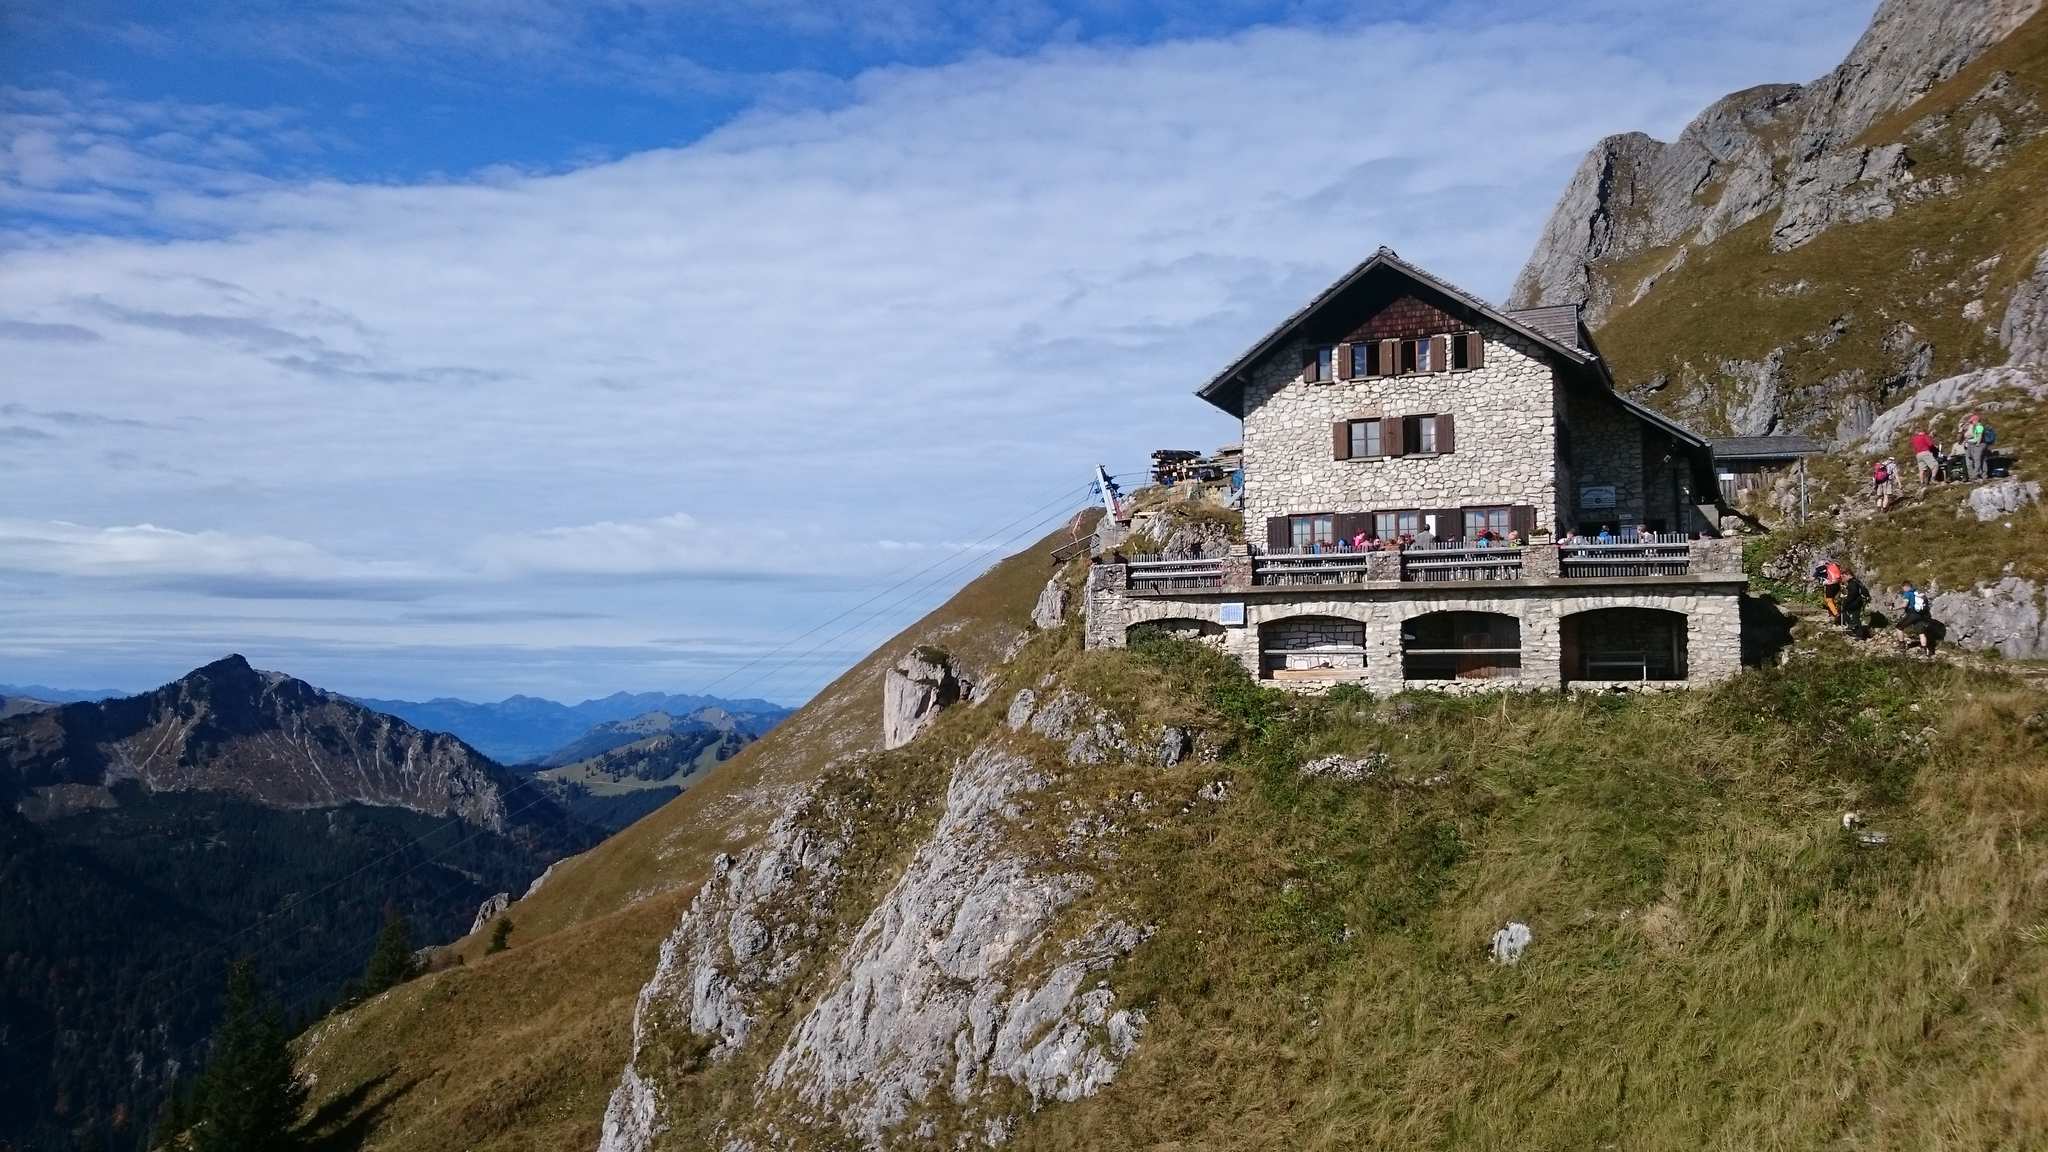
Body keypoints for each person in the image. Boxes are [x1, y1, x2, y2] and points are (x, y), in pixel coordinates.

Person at [1898, 582, 1935, 653]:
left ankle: (1902, 645)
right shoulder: (1916, 593)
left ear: (1906, 587)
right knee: (1921, 632)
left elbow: (1904, 605)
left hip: (1912, 613)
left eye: (1903, 587)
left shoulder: (1907, 593)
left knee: (1899, 627)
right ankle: (1924, 649)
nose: (1903, 589)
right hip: (1920, 614)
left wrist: (1894, 608)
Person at [1839, 571, 1869, 638]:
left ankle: (1857, 633)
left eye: (1844, 576)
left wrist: (1845, 600)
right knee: (1856, 618)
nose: (1843, 578)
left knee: (1851, 616)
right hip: (1858, 602)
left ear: (1849, 575)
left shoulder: (1852, 583)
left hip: (1854, 603)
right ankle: (1858, 633)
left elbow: (1853, 594)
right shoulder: (1856, 581)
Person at [1965, 411, 1989, 480]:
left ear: (1975, 420)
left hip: (1980, 444)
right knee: (1982, 460)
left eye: (1972, 421)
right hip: (1983, 444)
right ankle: (1984, 475)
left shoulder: (1979, 426)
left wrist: (1977, 443)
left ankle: (1975, 474)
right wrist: (1970, 441)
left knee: (1977, 459)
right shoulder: (1979, 426)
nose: (1972, 423)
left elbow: (1979, 436)